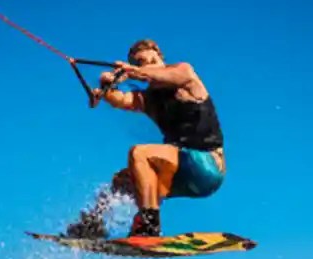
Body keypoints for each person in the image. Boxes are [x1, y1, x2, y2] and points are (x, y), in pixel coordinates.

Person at [65, 38, 225, 238]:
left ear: (159, 56)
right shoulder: (148, 100)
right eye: (139, 63)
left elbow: (159, 74)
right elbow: (121, 100)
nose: (144, 66)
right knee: (121, 181)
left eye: (149, 61)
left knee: (140, 153)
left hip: (207, 166)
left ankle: (149, 225)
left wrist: (134, 71)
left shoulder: (184, 73)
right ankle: (92, 225)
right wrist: (105, 87)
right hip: (178, 171)